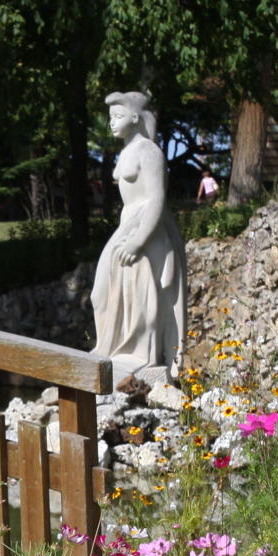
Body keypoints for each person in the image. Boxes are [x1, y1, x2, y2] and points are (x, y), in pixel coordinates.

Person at [90, 91, 186, 377]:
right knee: (102, 292)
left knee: (144, 292)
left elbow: (157, 199)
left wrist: (138, 240)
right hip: (128, 225)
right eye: (110, 118)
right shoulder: (128, 151)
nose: (112, 123)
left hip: (148, 229)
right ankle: (112, 346)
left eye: (118, 116)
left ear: (135, 117)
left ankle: (142, 353)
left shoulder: (149, 151)